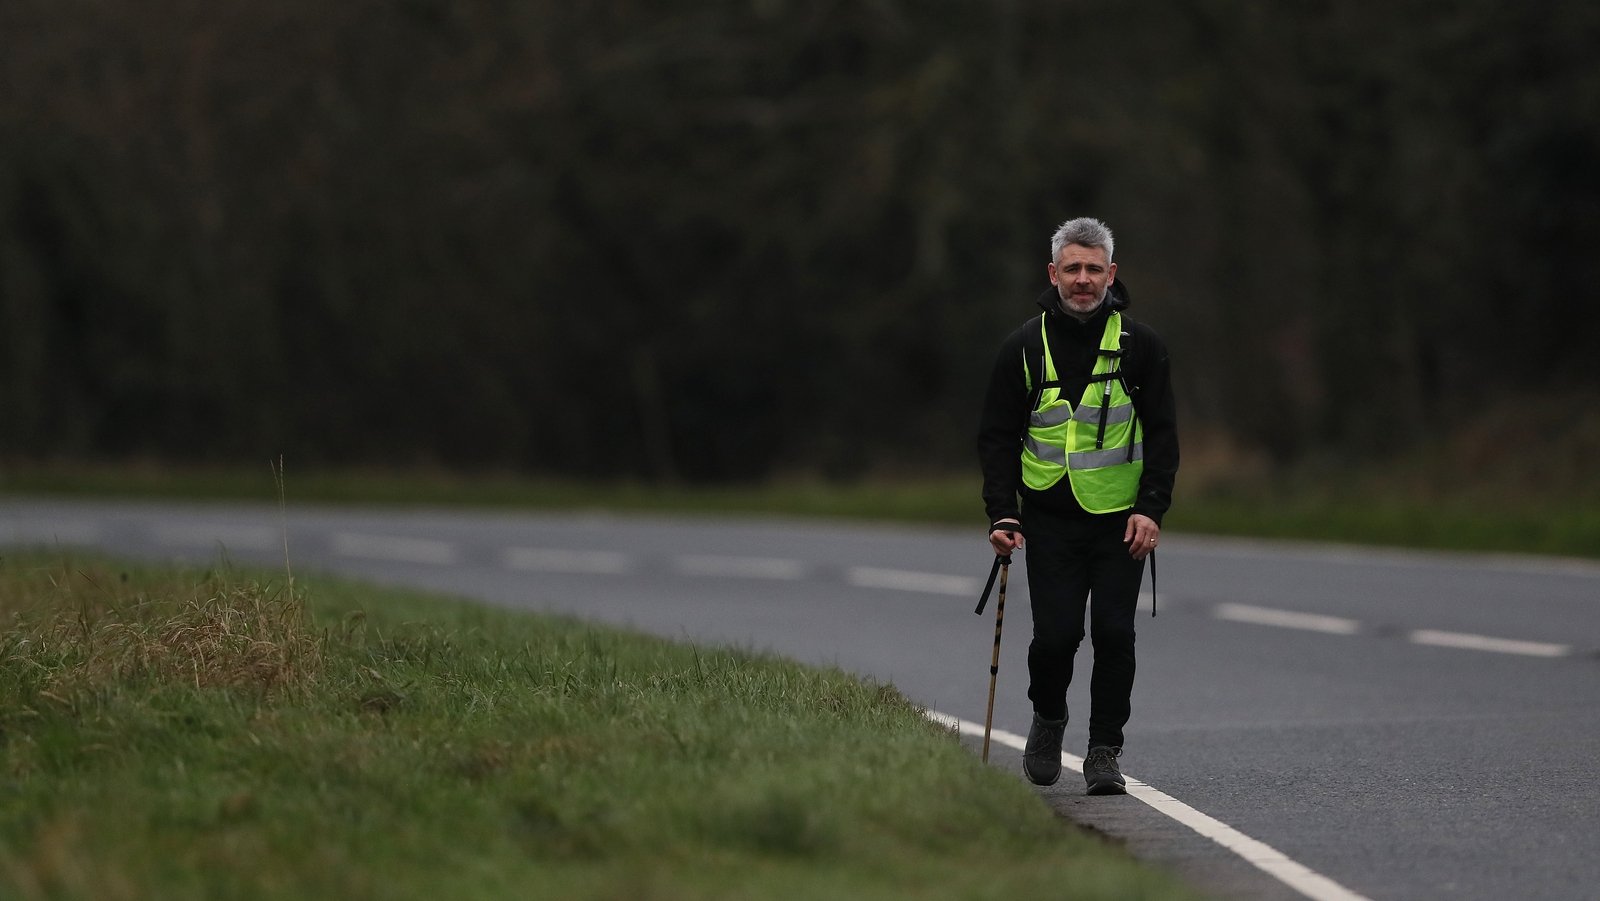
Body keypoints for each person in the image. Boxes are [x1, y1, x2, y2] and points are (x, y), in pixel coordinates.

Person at [976, 217, 1178, 795]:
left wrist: (1152, 509)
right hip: (1049, 521)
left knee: (1115, 634)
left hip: (1122, 524)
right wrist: (1002, 512)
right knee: (1056, 637)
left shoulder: (1143, 347)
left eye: (1094, 269)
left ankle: (1103, 752)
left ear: (1112, 274)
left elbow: (1163, 436)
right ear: (1053, 274)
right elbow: (995, 436)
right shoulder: (1022, 346)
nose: (1083, 280)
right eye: (1073, 269)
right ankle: (1048, 720)